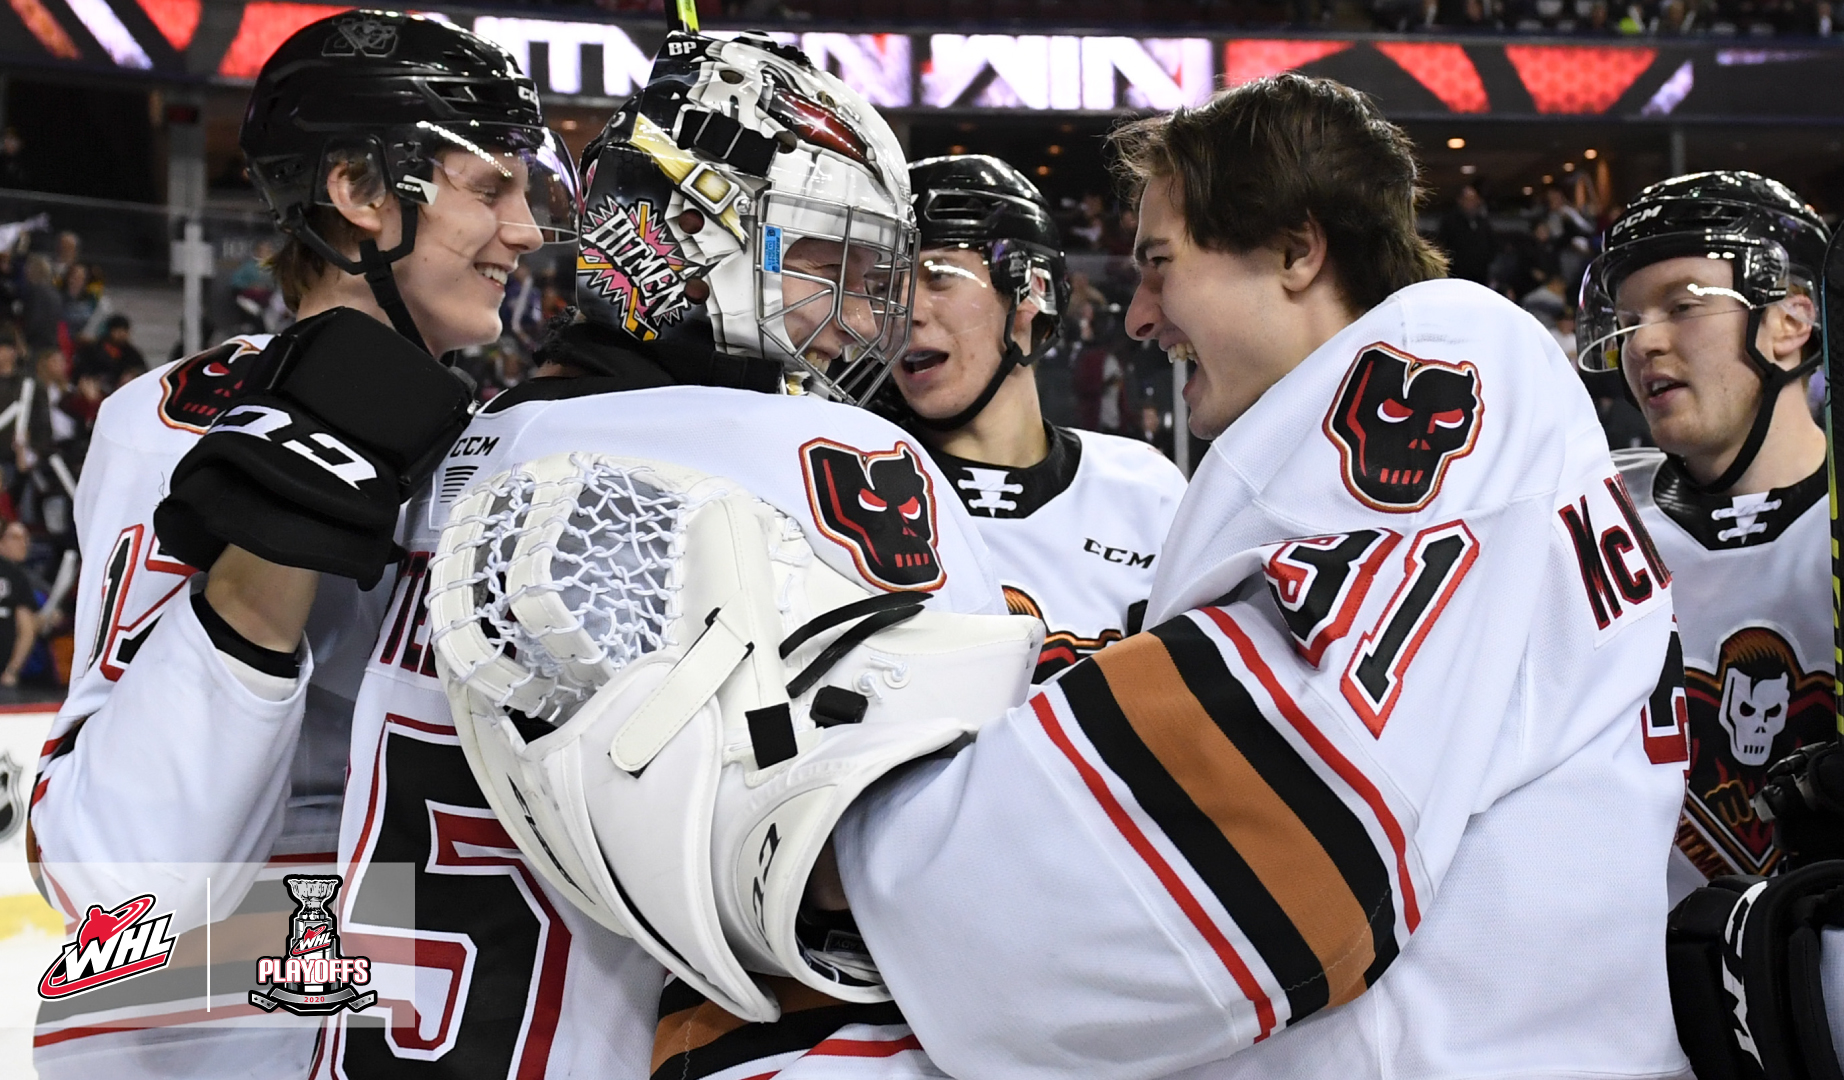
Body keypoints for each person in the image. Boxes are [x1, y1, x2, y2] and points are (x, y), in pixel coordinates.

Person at [569, 72, 1690, 1079]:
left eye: (1162, 265)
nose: (1141, 315)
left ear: (1299, 250)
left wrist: (833, 843)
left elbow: (1272, 823)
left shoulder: (1437, 363)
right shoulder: (1351, 439)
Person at [319, 26, 1009, 1080]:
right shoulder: (829, 453)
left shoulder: (448, 449)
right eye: (826, 258)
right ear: (688, 231)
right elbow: (964, 839)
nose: (861, 312)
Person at [26, 11, 576, 1077]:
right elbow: (120, 885)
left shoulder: (503, 439)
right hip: (229, 1025)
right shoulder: (190, 417)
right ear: (362, 192)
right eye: (489, 188)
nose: (523, 232)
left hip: (401, 996)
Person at [1573, 170, 1844, 900]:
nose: (1645, 343)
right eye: (1630, 318)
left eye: (1684, 304)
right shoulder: (1590, 519)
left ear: (1791, 323)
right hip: (1670, 997)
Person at [882, 154, 1185, 682]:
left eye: (938, 275)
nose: (906, 310)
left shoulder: (1144, 490)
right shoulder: (845, 487)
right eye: (884, 283)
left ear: (1030, 293)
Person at [0, 520, 39, 687]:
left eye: (26, 538)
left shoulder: (17, 576)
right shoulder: (17, 576)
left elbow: (27, 629)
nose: (23, 544)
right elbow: (28, 629)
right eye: (15, 538)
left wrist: (12, 670)